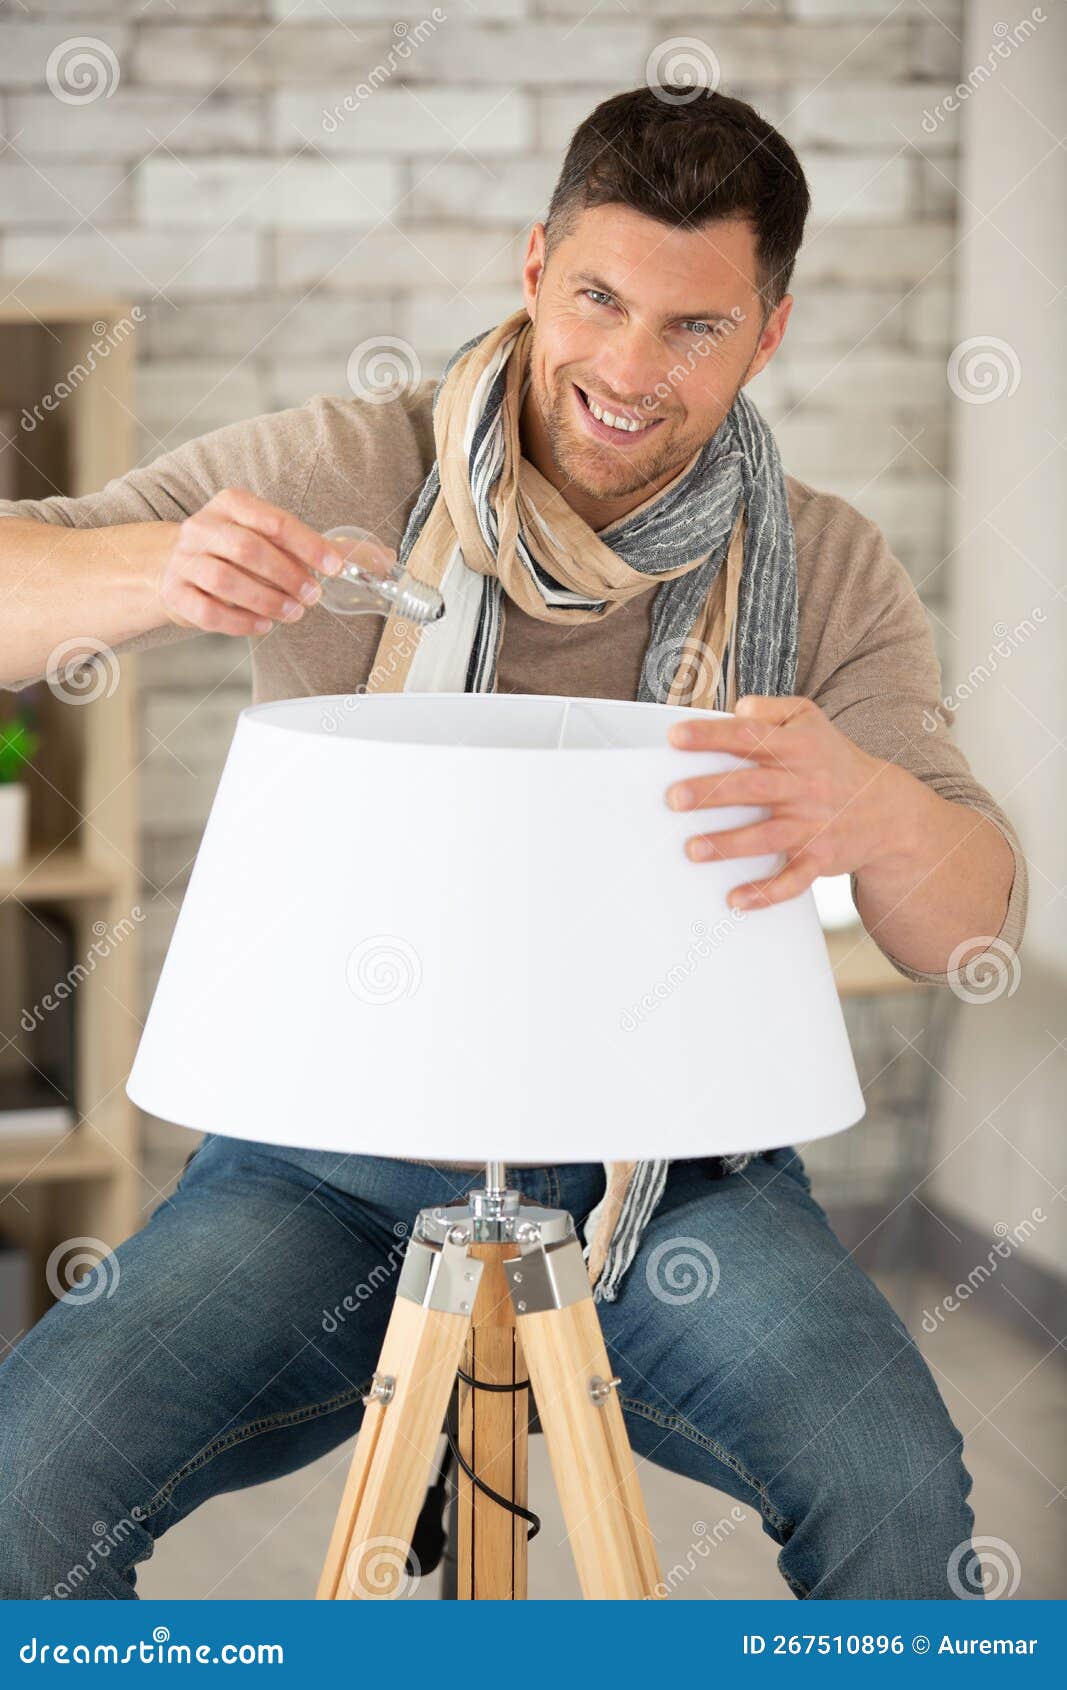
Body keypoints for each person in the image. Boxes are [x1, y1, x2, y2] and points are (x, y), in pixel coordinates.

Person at [0, 85, 1025, 1601]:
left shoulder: (826, 565)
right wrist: (160, 565)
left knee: (893, 1482)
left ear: (770, 334)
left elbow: (971, 926)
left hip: (678, 1171)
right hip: (325, 1159)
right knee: (29, 1476)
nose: (623, 366)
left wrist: (868, 807)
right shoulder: (353, 462)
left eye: (693, 327)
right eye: (599, 298)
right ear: (535, 266)